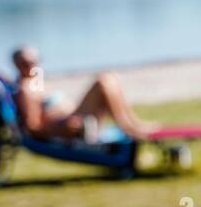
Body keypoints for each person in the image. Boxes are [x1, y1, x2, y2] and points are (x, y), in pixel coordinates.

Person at [12, 46, 155, 141]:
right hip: (73, 125)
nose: (34, 66)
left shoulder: (37, 82)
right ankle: (128, 128)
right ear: (17, 65)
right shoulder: (26, 90)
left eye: (36, 61)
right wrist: (62, 130)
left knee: (110, 78)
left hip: (80, 119)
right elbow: (34, 126)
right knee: (103, 81)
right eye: (28, 63)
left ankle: (133, 123)